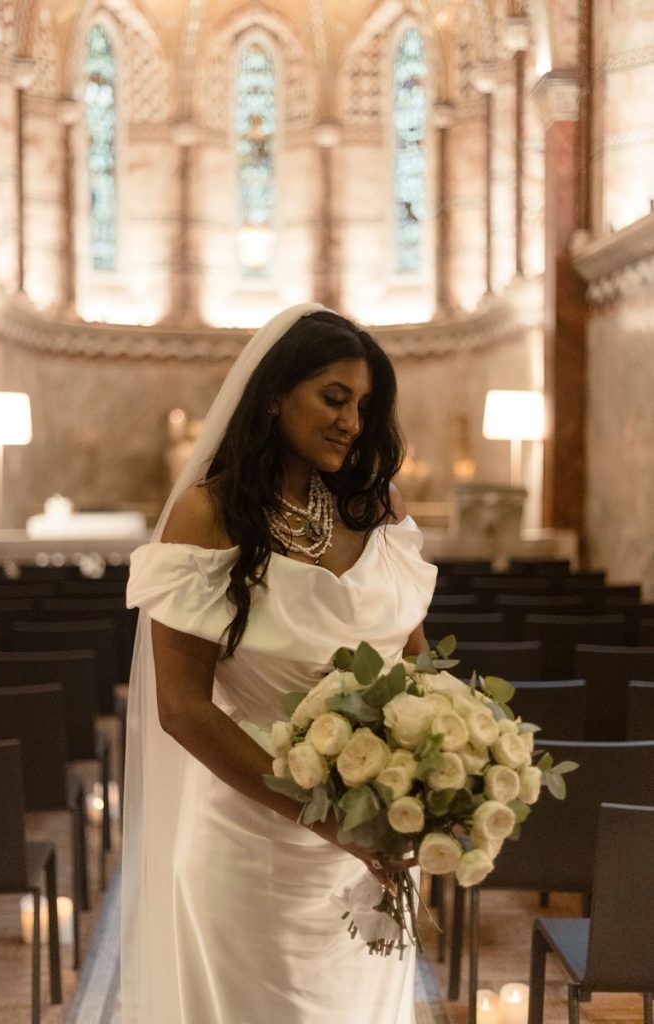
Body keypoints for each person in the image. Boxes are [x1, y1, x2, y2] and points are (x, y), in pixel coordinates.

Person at [122, 303, 437, 1023]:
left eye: (364, 406)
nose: (352, 423)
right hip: (250, 848)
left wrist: (438, 777)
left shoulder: (377, 506)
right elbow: (183, 708)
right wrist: (329, 822)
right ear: (273, 394)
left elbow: (416, 666)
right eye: (333, 398)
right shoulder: (209, 514)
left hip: (372, 842)